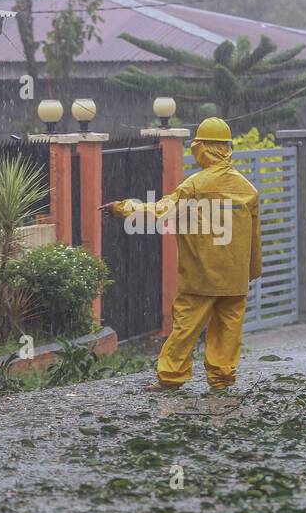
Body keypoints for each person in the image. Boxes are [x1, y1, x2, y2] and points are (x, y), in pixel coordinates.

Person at [107, 116, 261, 392]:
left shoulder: (195, 186)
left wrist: (124, 208)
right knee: (229, 331)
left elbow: (159, 210)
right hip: (234, 279)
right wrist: (252, 270)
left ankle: (171, 377)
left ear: (203, 148)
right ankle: (222, 379)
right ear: (227, 148)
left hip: (201, 276)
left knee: (185, 328)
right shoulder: (248, 189)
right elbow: (255, 238)